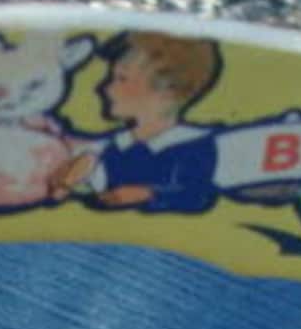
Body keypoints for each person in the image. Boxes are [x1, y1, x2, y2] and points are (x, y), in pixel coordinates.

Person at [86, 31, 223, 213]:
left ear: (168, 89)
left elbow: (195, 196)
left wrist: (148, 194)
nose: (105, 88)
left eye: (121, 79)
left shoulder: (192, 145)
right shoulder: (116, 145)